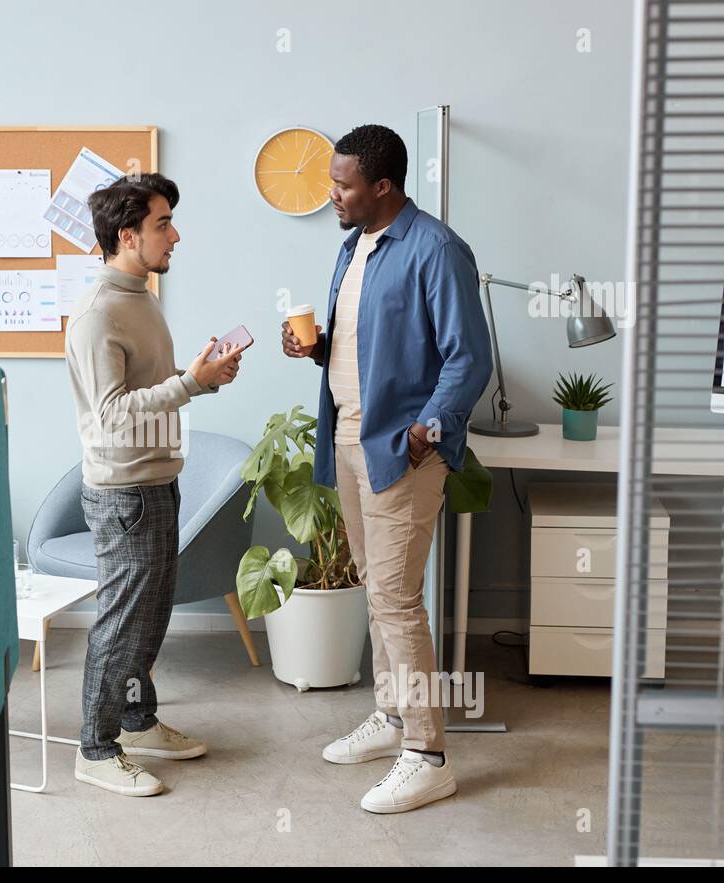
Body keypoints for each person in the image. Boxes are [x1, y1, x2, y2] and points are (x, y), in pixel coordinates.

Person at [281, 125, 492, 814]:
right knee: (378, 586)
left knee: (399, 600)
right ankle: (393, 716)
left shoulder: (437, 249)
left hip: (399, 449)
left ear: (383, 185)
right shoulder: (355, 246)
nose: (331, 194)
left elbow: (468, 358)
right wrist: (312, 350)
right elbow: (366, 342)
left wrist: (427, 432)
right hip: (348, 435)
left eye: (342, 184)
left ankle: (427, 755)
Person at [65, 172, 243, 797]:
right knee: (121, 623)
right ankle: (95, 748)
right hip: (124, 495)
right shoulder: (96, 314)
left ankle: (136, 721)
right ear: (127, 235)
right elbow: (112, 411)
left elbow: (147, 385)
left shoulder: (140, 296)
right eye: (163, 224)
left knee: (148, 619)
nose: (175, 235)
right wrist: (188, 383)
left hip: (157, 481)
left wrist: (201, 375)